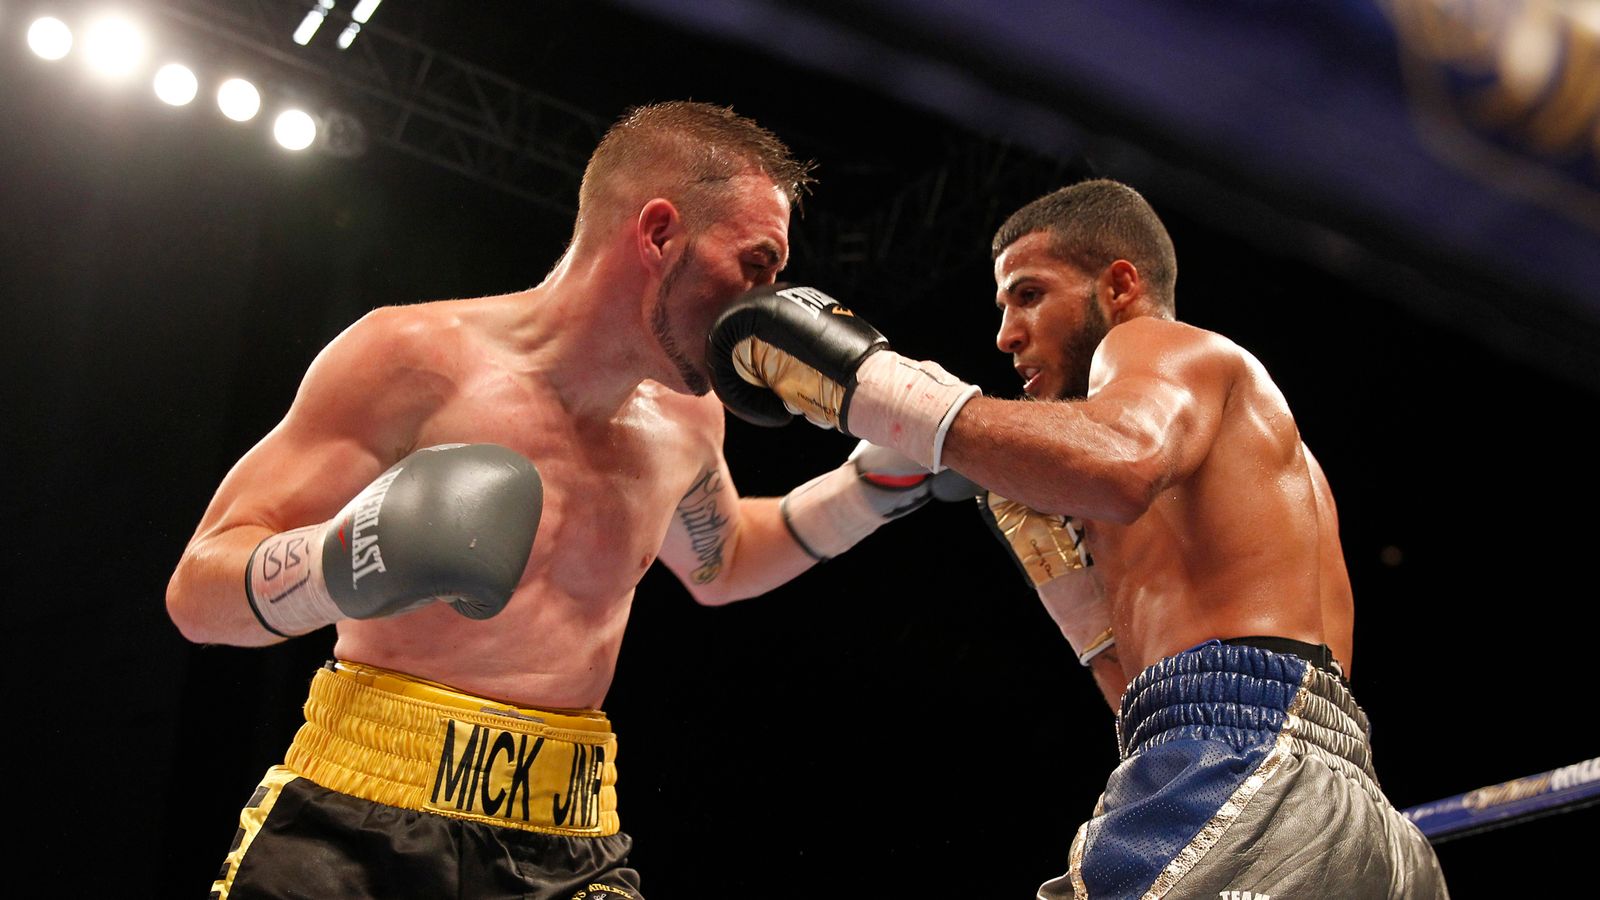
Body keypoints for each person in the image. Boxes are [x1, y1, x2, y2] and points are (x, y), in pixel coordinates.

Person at [165, 101, 963, 900]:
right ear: (658, 234)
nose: (768, 300)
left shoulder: (688, 417)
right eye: (757, 264)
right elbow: (199, 593)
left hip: (567, 838)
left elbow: (722, 562)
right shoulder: (413, 359)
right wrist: (342, 561)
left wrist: (871, 487)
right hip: (358, 815)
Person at [707, 179, 1450, 898]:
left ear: (1120, 286)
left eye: (1029, 294)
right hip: (1328, 807)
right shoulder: (1228, 453)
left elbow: (1121, 464)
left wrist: (876, 387)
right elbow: (1146, 699)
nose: (1005, 334)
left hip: (1249, 774)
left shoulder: (1163, 348)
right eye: (1002, 307)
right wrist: (1065, 583)